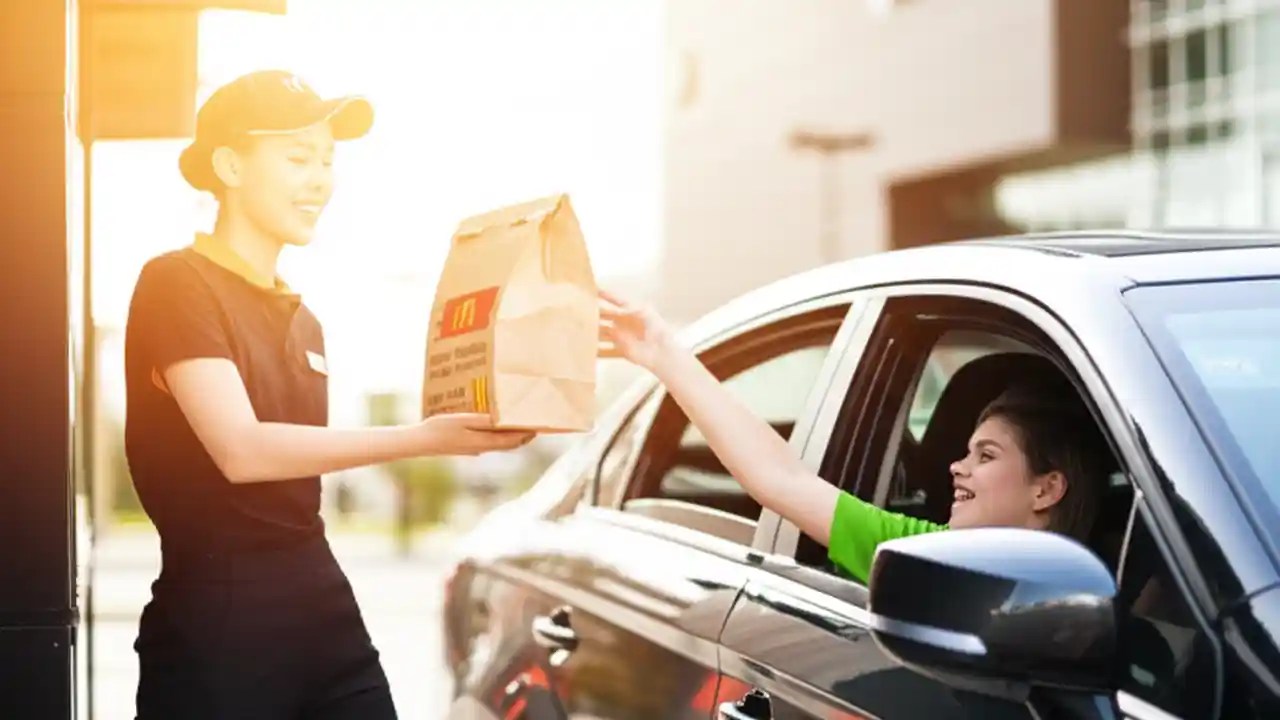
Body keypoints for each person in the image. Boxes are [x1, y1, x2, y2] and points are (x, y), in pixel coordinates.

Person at [124, 70, 533, 719]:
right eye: (297, 157)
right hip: (219, 628)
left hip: (323, 610)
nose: (320, 178)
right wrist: (426, 437)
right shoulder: (177, 283)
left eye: (327, 160)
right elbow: (242, 451)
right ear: (230, 164)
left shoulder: (304, 320)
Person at [598, 290, 1110, 583]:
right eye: (967, 451)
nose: (957, 467)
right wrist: (665, 353)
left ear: (1046, 488)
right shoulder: (922, 553)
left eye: (986, 455)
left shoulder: (1115, 604)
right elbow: (779, 478)